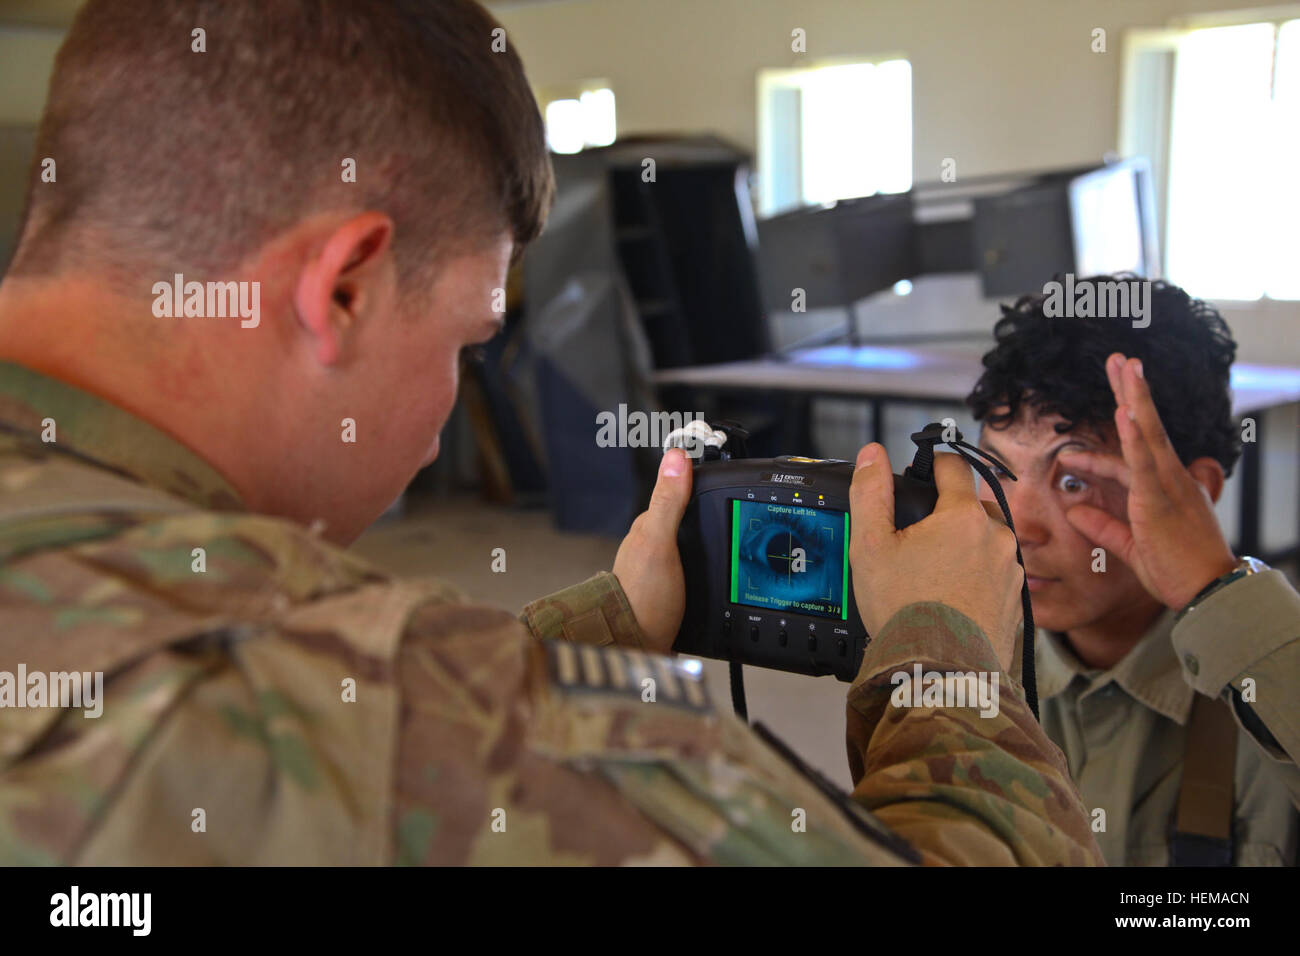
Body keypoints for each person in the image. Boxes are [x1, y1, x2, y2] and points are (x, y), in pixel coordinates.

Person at [0, 0, 1099, 866]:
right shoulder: (379, 707)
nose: (447, 414)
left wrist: (606, 626)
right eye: (470, 340)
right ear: (340, 289)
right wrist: (945, 648)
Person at [967, 276, 1300, 865]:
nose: (1018, 528)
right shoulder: (970, 676)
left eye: (1073, 481)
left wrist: (1212, 588)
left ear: (1193, 495)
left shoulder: (1270, 695)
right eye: (996, 473)